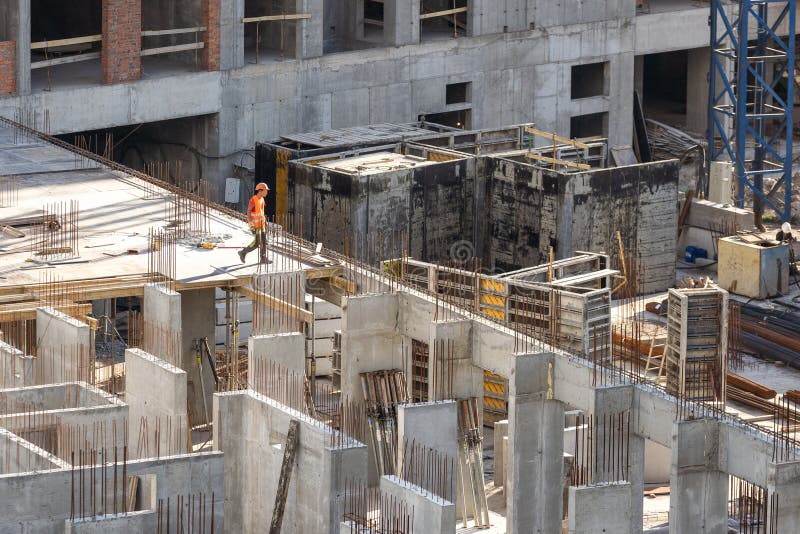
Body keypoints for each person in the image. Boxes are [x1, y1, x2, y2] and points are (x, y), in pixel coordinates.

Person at [238, 182, 271, 264]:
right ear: (260, 191)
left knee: (263, 241)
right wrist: (250, 223)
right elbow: (248, 212)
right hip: (255, 225)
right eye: (265, 190)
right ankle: (243, 252)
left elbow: (261, 211)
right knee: (257, 242)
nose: (267, 192)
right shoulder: (253, 200)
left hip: (261, 224)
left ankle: (263, 258)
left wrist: (265, 221)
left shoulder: (262, 199)